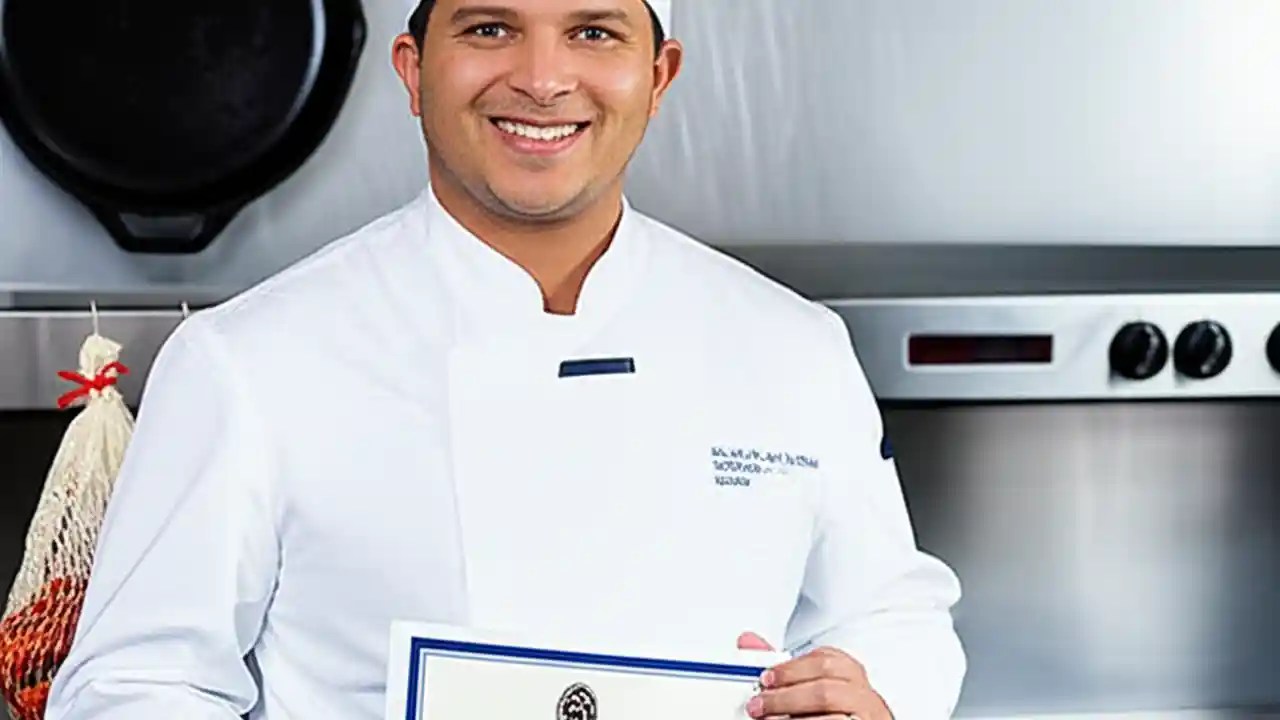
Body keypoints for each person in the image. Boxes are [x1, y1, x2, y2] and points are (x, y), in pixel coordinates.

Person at [43, 0, 966, 718]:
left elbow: (893, 615)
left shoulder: (792, 347)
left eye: (594, 31)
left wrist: (872, 690)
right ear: (413, 71)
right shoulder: (248, 362)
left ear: (660, 73)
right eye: (490, 27)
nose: (542, 78)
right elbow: (136, 683)